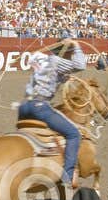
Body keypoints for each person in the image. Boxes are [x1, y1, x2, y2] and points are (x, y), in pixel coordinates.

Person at [18, 39, 86, 187]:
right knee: (73, 134)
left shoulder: (45, 61)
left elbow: (50, 77)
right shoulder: (56, 60)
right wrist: (76, 45)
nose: (72, 55)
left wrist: (64, 77)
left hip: (24, 106)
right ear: (66, 52)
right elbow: (81, 65)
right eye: (71, 52)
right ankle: (67, 176)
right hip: (39, 106)